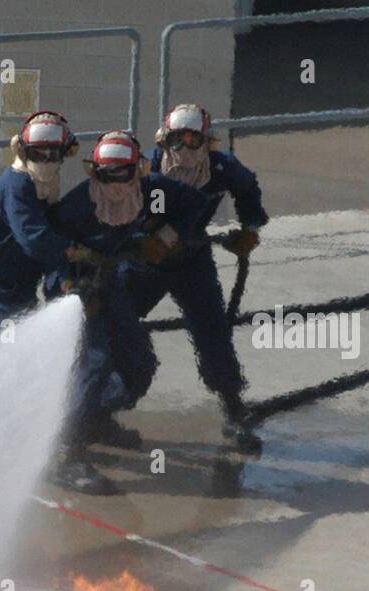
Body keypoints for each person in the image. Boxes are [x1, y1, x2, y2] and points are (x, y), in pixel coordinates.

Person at [45, 129, 209, 493]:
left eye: (123, 175)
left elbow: (196, 206)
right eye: (106, 175)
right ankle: (67, 453)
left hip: (111, 283)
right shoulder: (75, 207)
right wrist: (74, 290)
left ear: (138, 171)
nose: (116, 186)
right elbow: (51, 256)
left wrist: (164, 237)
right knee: (97, 361)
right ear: (94, 173)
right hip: (76, 290)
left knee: (139, 363)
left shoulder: (154, 193)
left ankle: (98, 419)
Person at [138, 103, 269, 454]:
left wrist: (250, 227)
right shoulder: (145, 169)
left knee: (213, 332)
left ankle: (233, 408)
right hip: (145, 264)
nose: (182, 150)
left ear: (207, 143)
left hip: (193, 262)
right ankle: (95, 407)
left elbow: (248, 187)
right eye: (174, 141)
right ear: (163, 141)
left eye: (192, 140)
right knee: (114, 321)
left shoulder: (222, 169)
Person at [0, 110, 82, 336]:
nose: (46, 159)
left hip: (21, 283)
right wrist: (71, 250)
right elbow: (33, 238)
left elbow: (51, 227)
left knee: (25, 345)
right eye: (38, 152)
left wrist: (64, 277)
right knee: (7, 346)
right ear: (24, 150)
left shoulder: (46, 184)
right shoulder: (17, 184)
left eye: (53, 153)